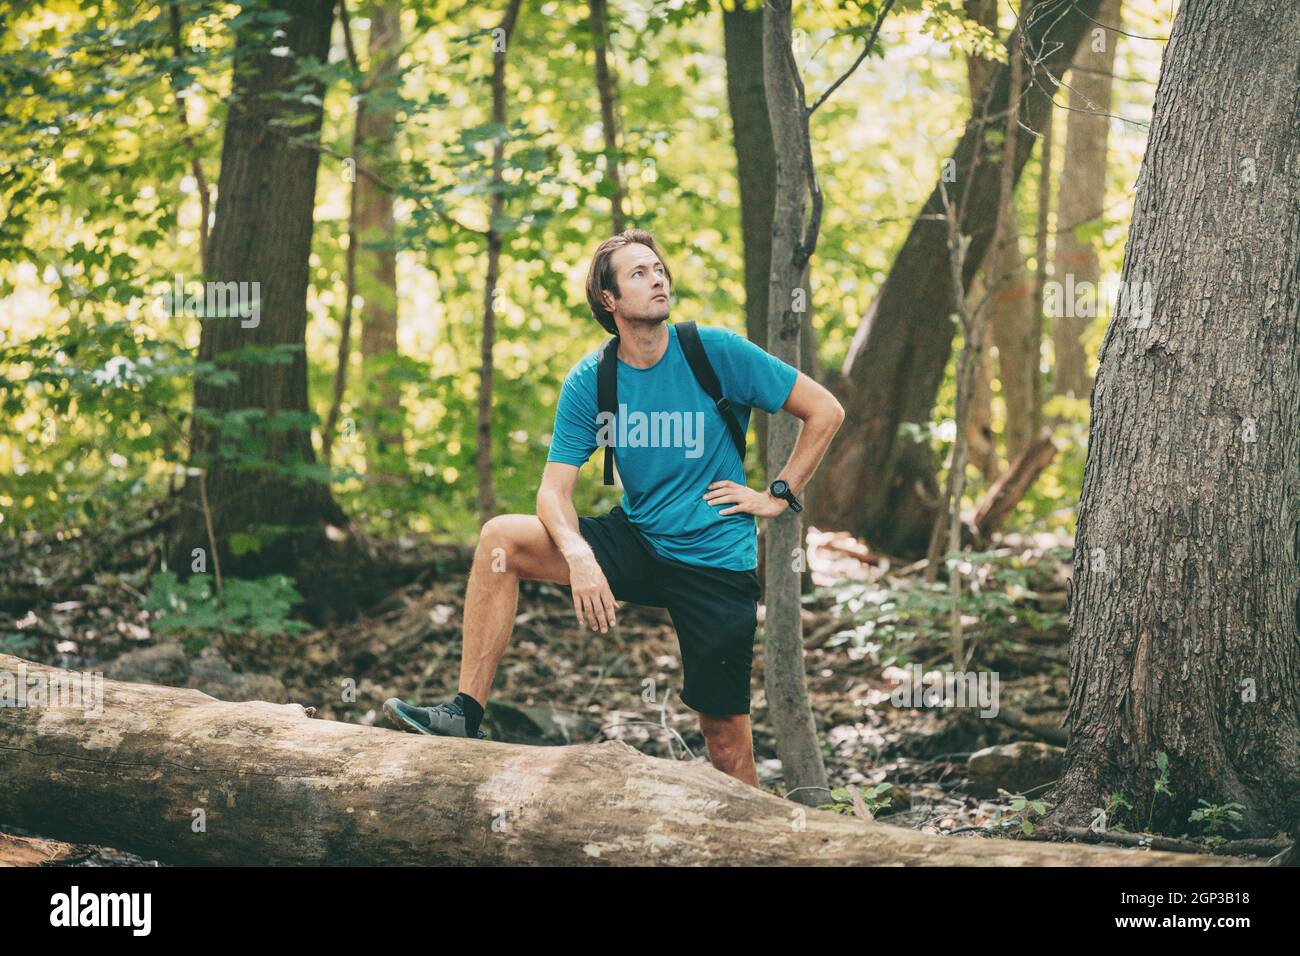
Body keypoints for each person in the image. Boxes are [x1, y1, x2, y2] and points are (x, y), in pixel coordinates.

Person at [385, 228, 845, 786]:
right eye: (638, 273)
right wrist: (578, 555)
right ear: (609, 299)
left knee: (725, 743)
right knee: (500, 539)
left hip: (714, 558)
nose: (657, 279)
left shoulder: (713, 352)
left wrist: (777, 495)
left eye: (658, 269)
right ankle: (464, 713)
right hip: (638, 540)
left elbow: (824, 410)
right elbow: (553, 491)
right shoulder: (594, 379)